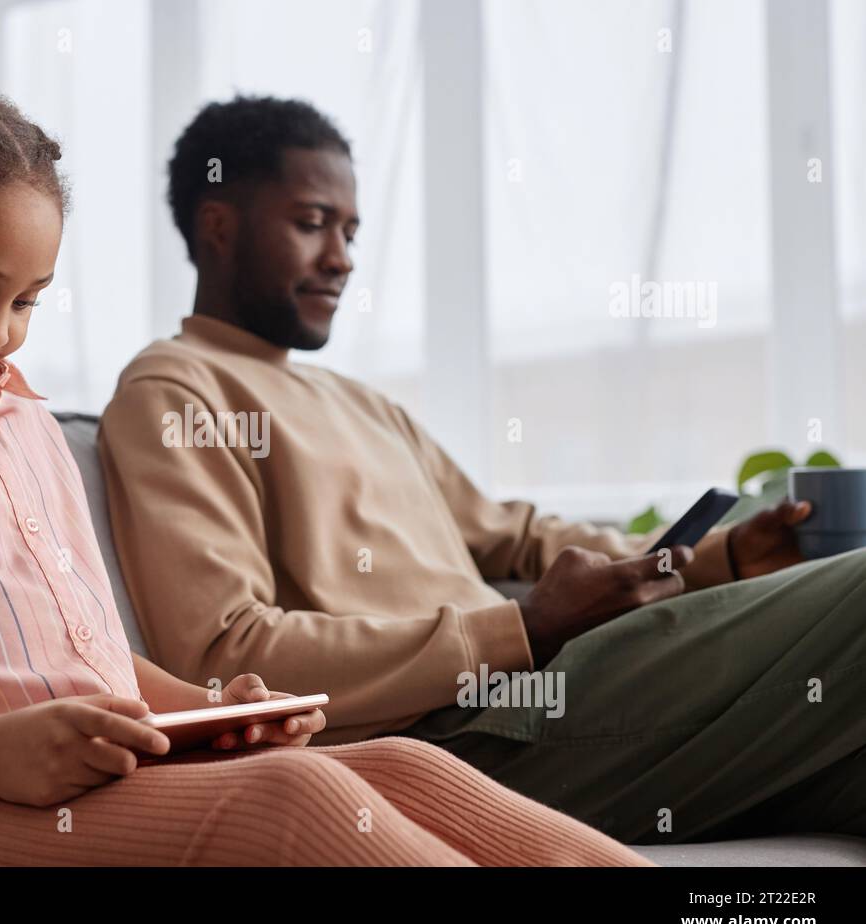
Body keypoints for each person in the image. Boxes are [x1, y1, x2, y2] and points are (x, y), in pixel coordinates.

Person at [0, 86, 647, 867]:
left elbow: (89, 660)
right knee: (295, 796)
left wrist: (212, 709)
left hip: (82, 782)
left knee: (406, 763)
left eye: (26, 302)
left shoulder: (21, 424)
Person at [97, 94, 866, 846]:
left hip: (540, 693)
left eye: (352, 232)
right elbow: (222, 658)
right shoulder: (174, 388)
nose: (342, 258)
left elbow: (518, 535)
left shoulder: (358, 402)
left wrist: (722, 557)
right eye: (311, 224)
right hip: (448, 742)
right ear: (218, 226)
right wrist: (521, 628)